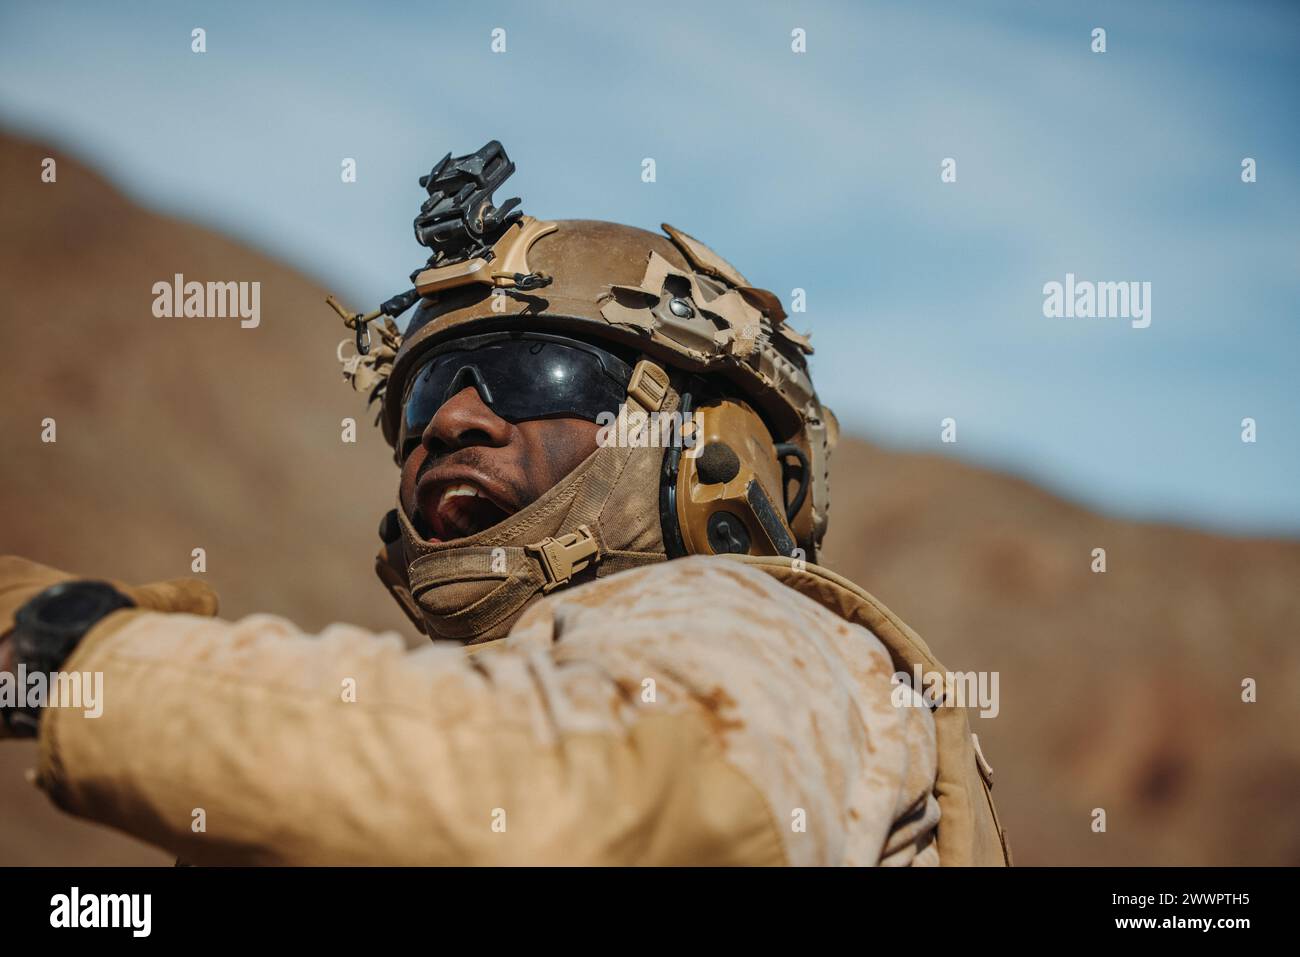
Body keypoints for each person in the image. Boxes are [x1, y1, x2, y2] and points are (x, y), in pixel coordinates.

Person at [0, 142, 1009, 866]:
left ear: (712, 448)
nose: (453, 425)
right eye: (429, 398)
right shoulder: (469, 719)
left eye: (541, 378)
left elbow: (575, 803)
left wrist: (87, 657)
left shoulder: (769, 633)